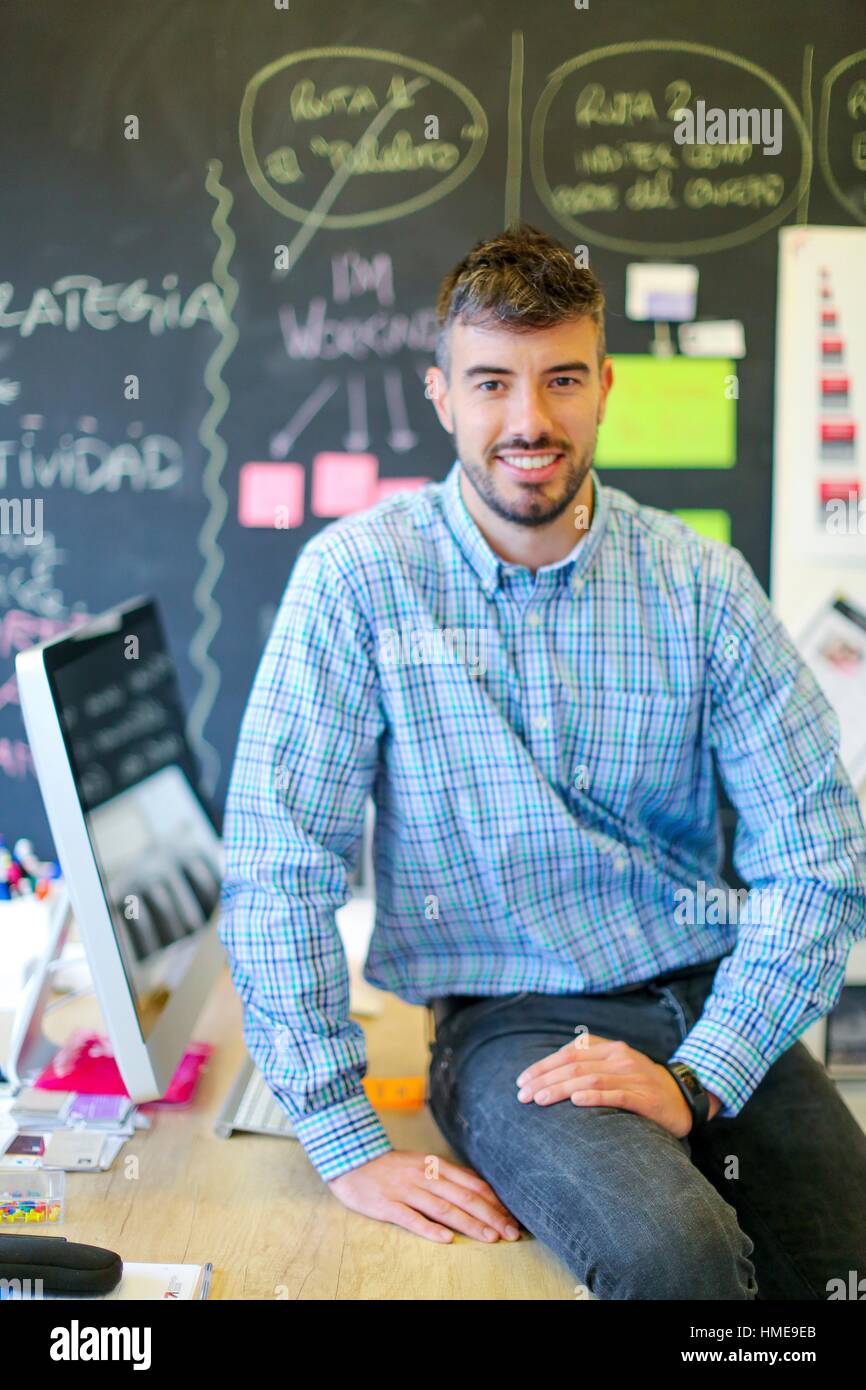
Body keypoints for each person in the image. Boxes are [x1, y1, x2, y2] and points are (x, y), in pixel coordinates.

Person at [218, 224, 866, 1300]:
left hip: (710, 992)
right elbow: (278, 862)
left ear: (604, 385)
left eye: (561, 378)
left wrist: (699, 1075)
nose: (528, 420)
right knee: (679, 1266)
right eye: (490, 382)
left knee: (845, 1277)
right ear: (439, 394)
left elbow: (819, 860)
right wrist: (343, 1139)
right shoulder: (357, 582)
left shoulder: (702, 586)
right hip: (511, 1018)